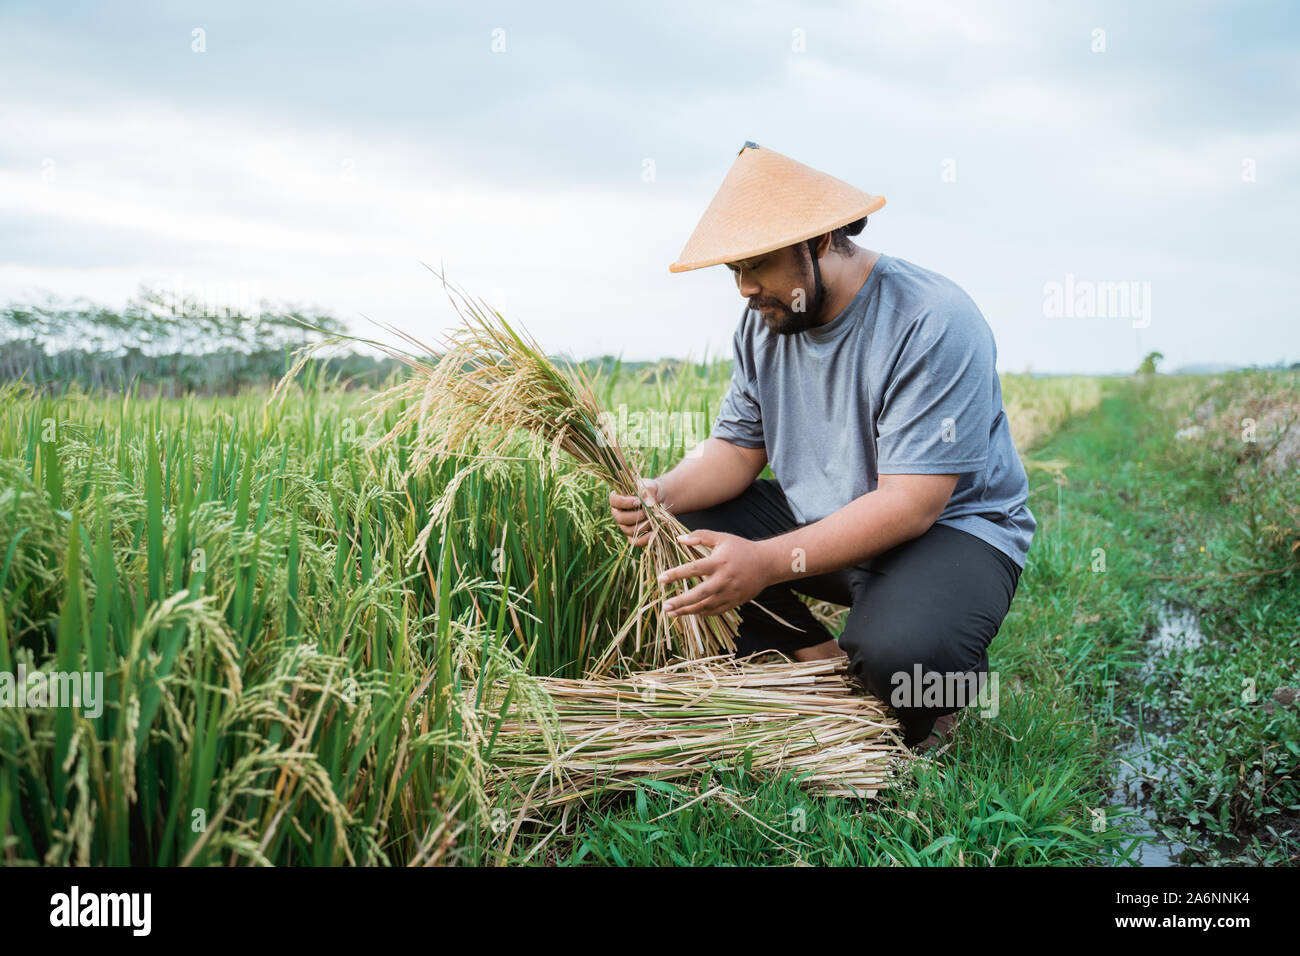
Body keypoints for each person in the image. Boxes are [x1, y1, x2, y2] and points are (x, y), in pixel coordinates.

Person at [608, 142, 1036, 751]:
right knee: (680, 522)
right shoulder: (767, 322)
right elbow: (734, 449)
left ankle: (939, 671)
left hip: (948, 531)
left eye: (757, 263)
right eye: (734, 270)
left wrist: (763, 563)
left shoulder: (932, 318)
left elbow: (911, 504)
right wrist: (660, 492)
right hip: (831, 524)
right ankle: (821, 657)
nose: (745, 288)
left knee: (906, 663)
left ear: (821, 241)